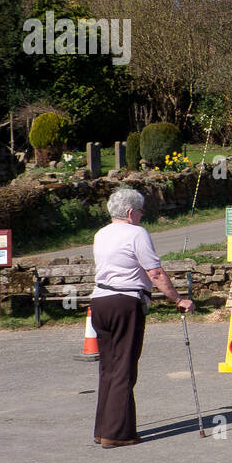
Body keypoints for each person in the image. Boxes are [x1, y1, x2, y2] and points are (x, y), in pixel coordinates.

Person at [89, 188, 194, 447]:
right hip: (125, 302)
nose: (141, 215)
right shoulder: (137, 233)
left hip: (100, 301)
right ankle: (116, 434)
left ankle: (102, 429)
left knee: (109, 367)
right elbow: (155, 273)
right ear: (130, 212)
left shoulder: (101, 233)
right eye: (140, 211)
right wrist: (178, 299)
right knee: (124, 367)